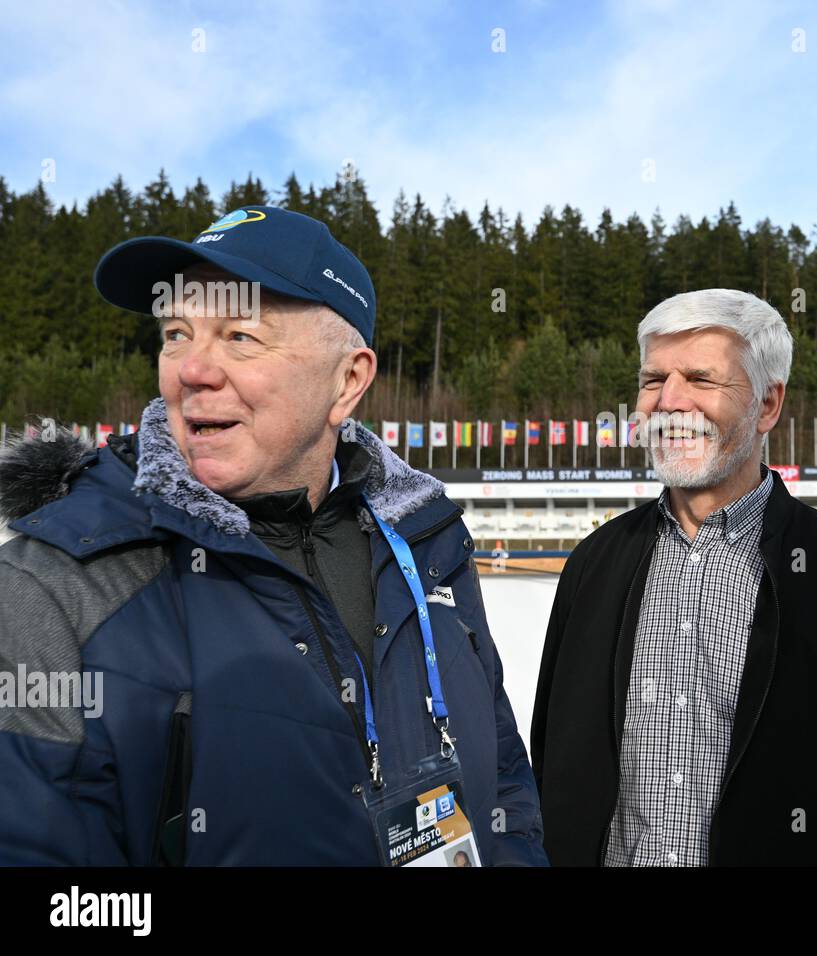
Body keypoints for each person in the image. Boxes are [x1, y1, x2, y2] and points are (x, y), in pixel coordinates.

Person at [0, 205, 546, 865]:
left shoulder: (429, 544)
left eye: (238, 337)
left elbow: (505, 781)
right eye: (176, 332)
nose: (191, 369)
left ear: (348, 382)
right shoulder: (58, 583)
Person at [531, 289, 817, 866]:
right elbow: (551, 756)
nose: (670, 402)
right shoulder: (593, 564)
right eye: (653, 379)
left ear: (767, 404)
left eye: (701, 379)